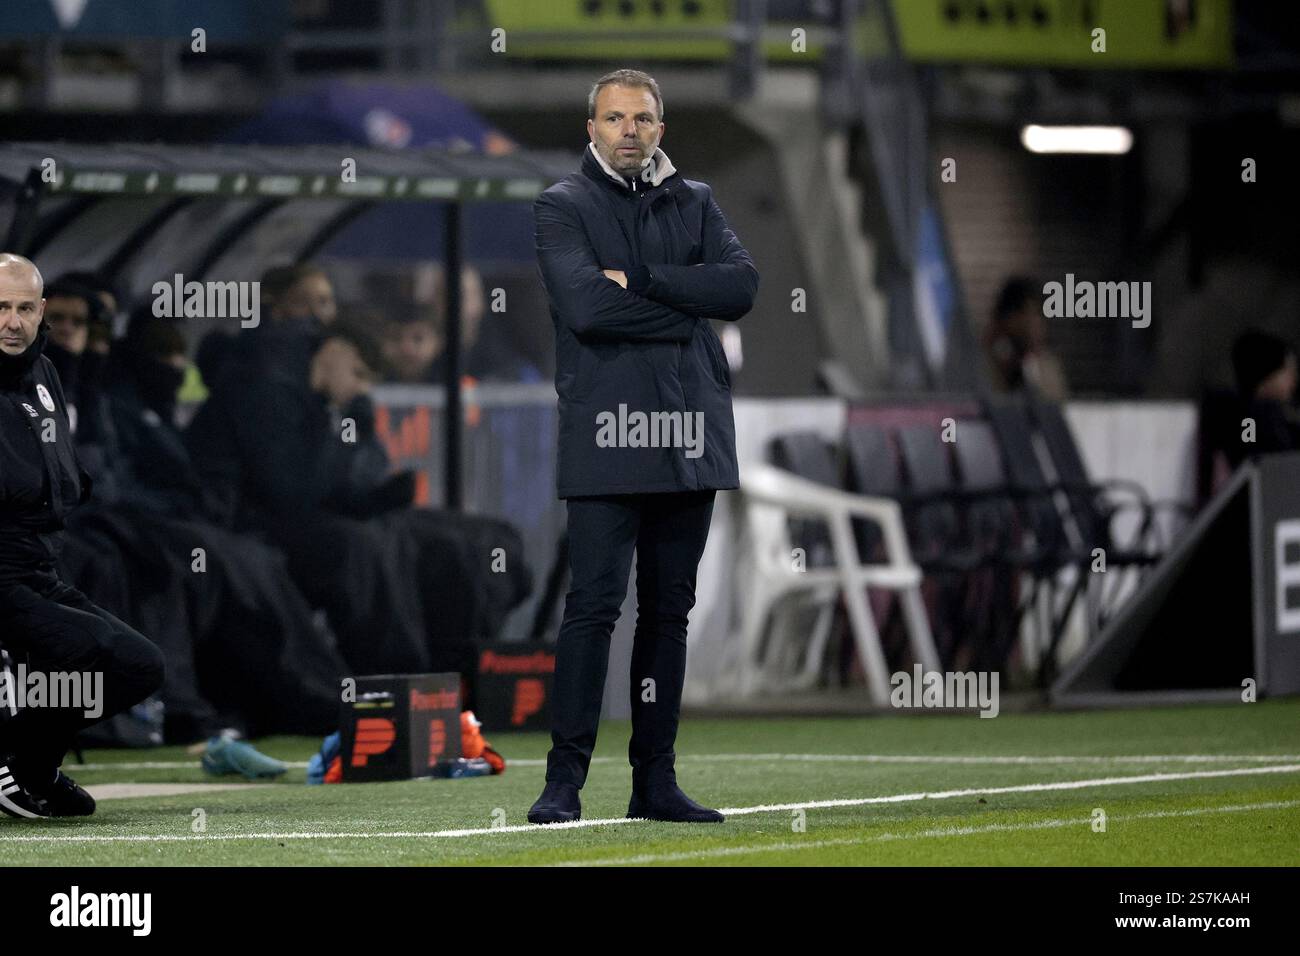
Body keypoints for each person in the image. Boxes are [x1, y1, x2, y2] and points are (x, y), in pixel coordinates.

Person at [527, 69, 758, 824]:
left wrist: (649, 281)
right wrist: (686, 307)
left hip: (688, 436)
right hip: (606, 434)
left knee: (668, 615)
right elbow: (588, 309)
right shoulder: (561, 206)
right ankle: (563, 784)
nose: (630, 130)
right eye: (615, 117)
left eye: (644, 118)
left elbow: (741, 289)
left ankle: (653, 783)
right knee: (593, 609)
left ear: (661, 128)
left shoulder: (695, 201)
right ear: (590, 128)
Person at [0, 253, 165, 819]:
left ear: (41, 311)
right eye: (0, 308)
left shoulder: (44, 372)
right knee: (85, 649)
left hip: (40, 565)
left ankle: (27, 767)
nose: (12, 322)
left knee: (139, 665)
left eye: (24, 308)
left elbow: (61, 462)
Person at [983, 277, 1069, 401]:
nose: (1038, 326)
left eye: (1041, 317)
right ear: (1009, 318)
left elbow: (1058, 406)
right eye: (1032, 315)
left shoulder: (1046, 366)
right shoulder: (983, 363)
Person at [1225, 328, 1299, 466]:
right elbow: (1251, 460)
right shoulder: (1249, 418)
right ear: (1268, 376)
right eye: (1287, 371)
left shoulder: (1280, 419)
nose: (1293, 380)